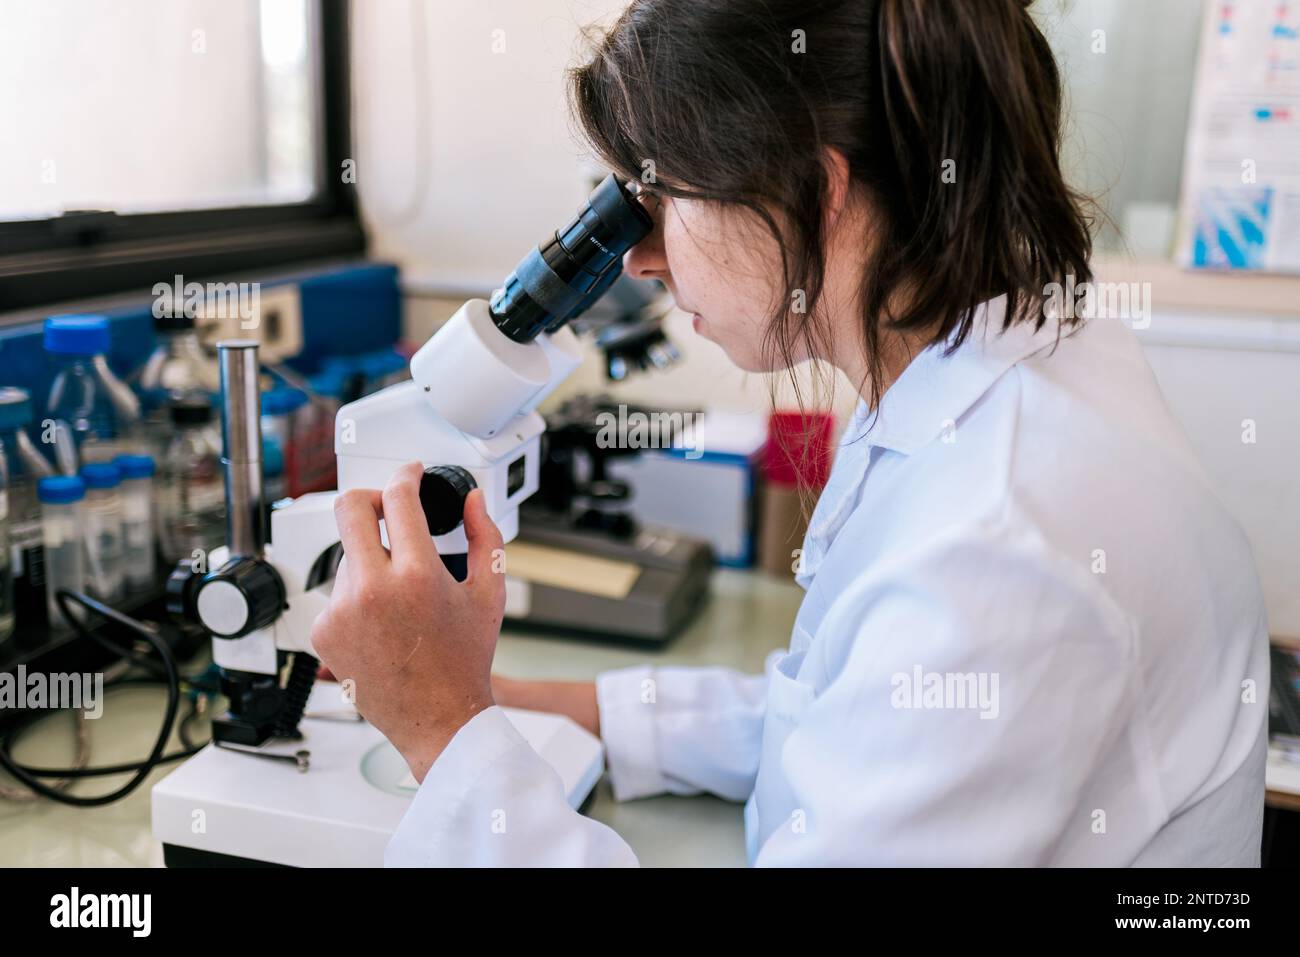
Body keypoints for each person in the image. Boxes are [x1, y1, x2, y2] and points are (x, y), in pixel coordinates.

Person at [310, 0, 1269, 866]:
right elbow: (838, 712)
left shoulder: (999, 548)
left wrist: (445, 730)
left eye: (664, 199)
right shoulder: (982, 372)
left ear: (818, 192)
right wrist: (519, 701)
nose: (638, 258)